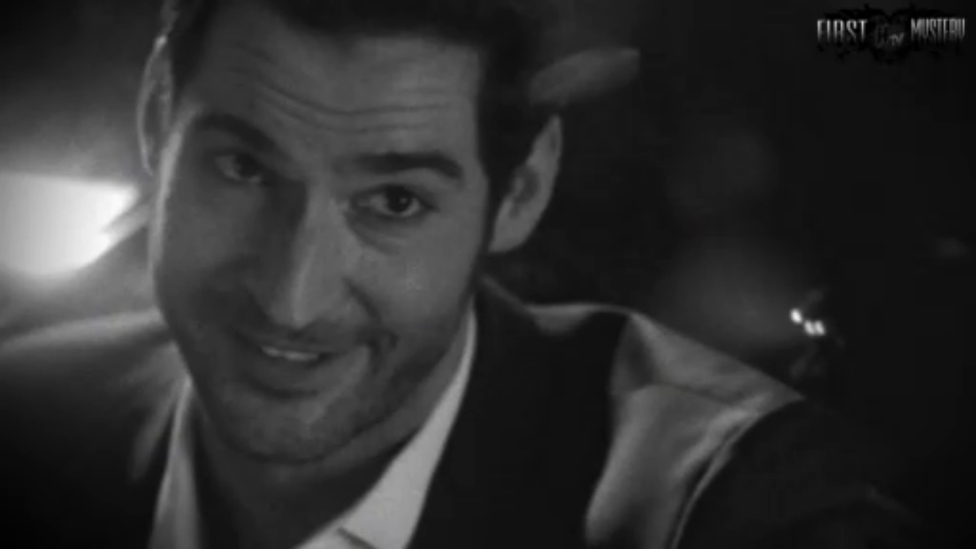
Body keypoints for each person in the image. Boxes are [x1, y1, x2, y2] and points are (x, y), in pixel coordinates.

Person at [0, 0, 930, 548]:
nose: (293, 297)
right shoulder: (24, 423)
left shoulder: (736, 506)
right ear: (158, 118)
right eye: (243, 168)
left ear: (520, 191)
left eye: (394, 201)